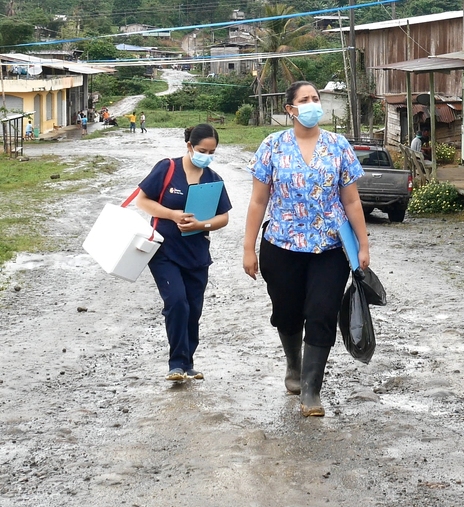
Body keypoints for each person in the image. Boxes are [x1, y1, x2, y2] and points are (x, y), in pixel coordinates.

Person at [242, 80, 369, 417]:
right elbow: (258, 201)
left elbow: (352, 201)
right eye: (305, 99)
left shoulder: (339, 145)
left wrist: (363, 245)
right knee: (287, 312)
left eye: (316, 98)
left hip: (329, 248)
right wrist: (248, 248)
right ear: (290, 109)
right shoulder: (272, 145)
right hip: (281, 246)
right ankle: (293, 367)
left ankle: (311, 391)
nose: (313, 104)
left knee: (322, 313)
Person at [133, 124, 232, 382]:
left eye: (211, 152)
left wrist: (202, 225)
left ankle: (188, 363)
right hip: (165, 251)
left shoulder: (213, 179)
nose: (206, 155)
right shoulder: (167, 168)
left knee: (193, 309)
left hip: (197, 254)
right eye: (202, 150)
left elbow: (224, 218)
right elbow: (142, 201)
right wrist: (172, 214)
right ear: (189, 146)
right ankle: (176, 363)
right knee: (177, 303)